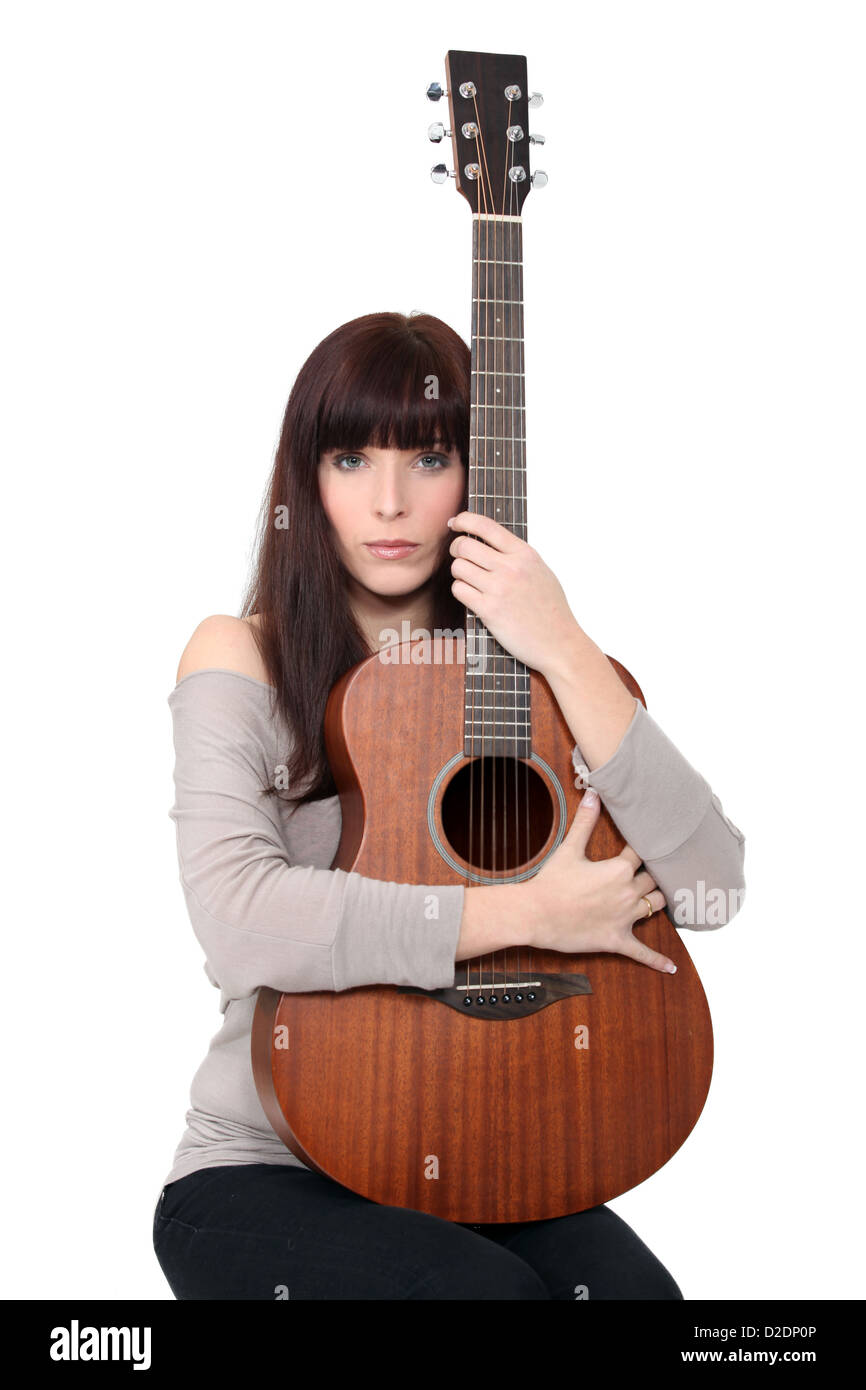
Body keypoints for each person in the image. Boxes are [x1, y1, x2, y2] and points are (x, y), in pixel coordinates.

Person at [152, 311, 746, 1300]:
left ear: (476, 475)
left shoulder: (536, 681)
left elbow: (713, 887)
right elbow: (239, 922)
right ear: (306, 480)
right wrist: (527, 914)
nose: (388, 501)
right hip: (271, 1165)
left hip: (498, 1156)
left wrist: (559, 642)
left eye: (428, 459)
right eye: (349, 458)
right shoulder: (237, 652)